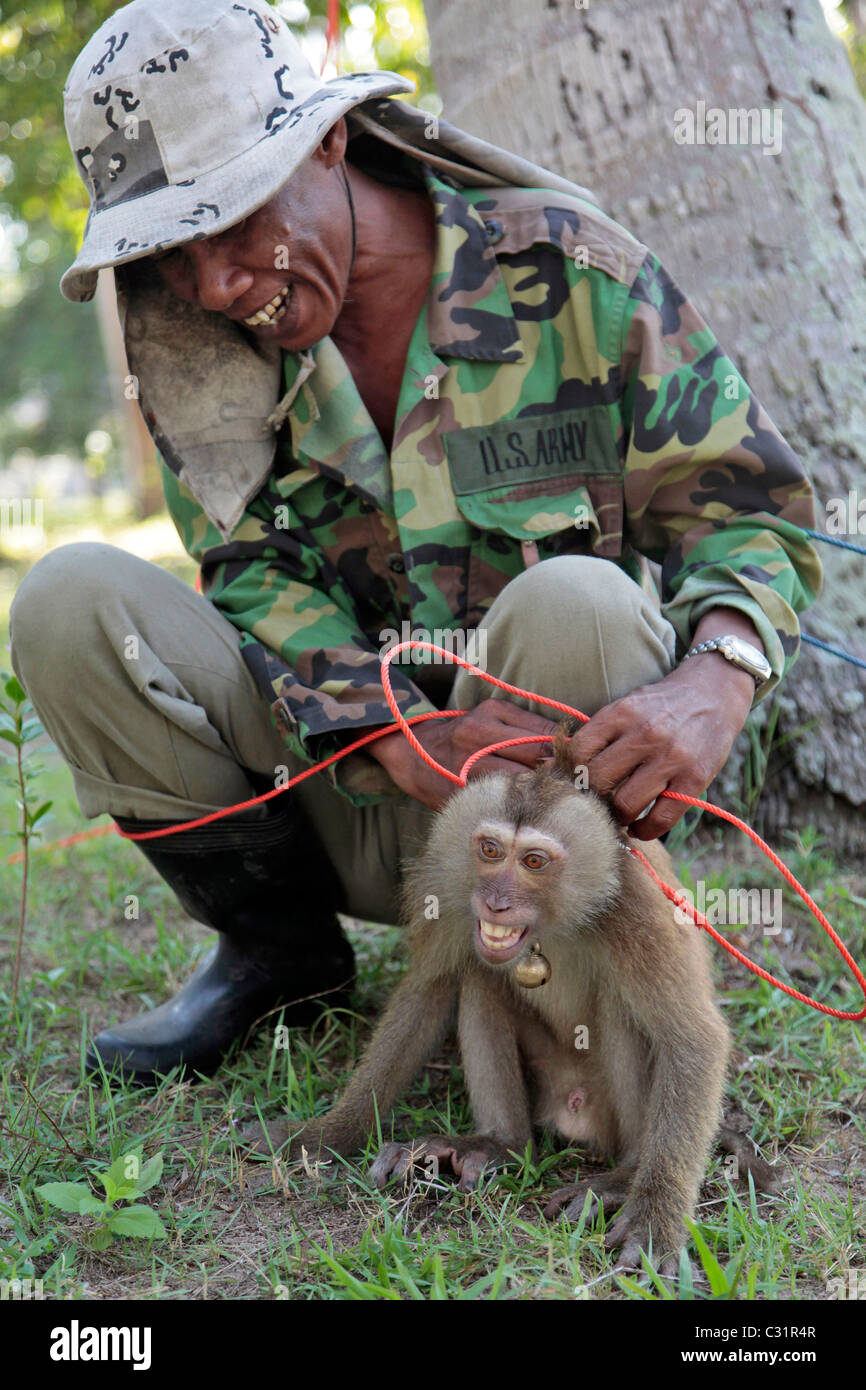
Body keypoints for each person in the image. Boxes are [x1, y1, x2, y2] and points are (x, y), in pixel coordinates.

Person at [10, 0, 821, 1083]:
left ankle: (547, 994)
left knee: (575, 599)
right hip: (353, 796)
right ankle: (279, 958)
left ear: (329, 140)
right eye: (172, 246)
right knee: (69, 600)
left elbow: (745, 507)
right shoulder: (192, 338)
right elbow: (250, 572)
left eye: (235, 218)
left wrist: (716, 679)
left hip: (544, 810)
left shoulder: (569, 274)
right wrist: (387, 732)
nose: (213, 284)